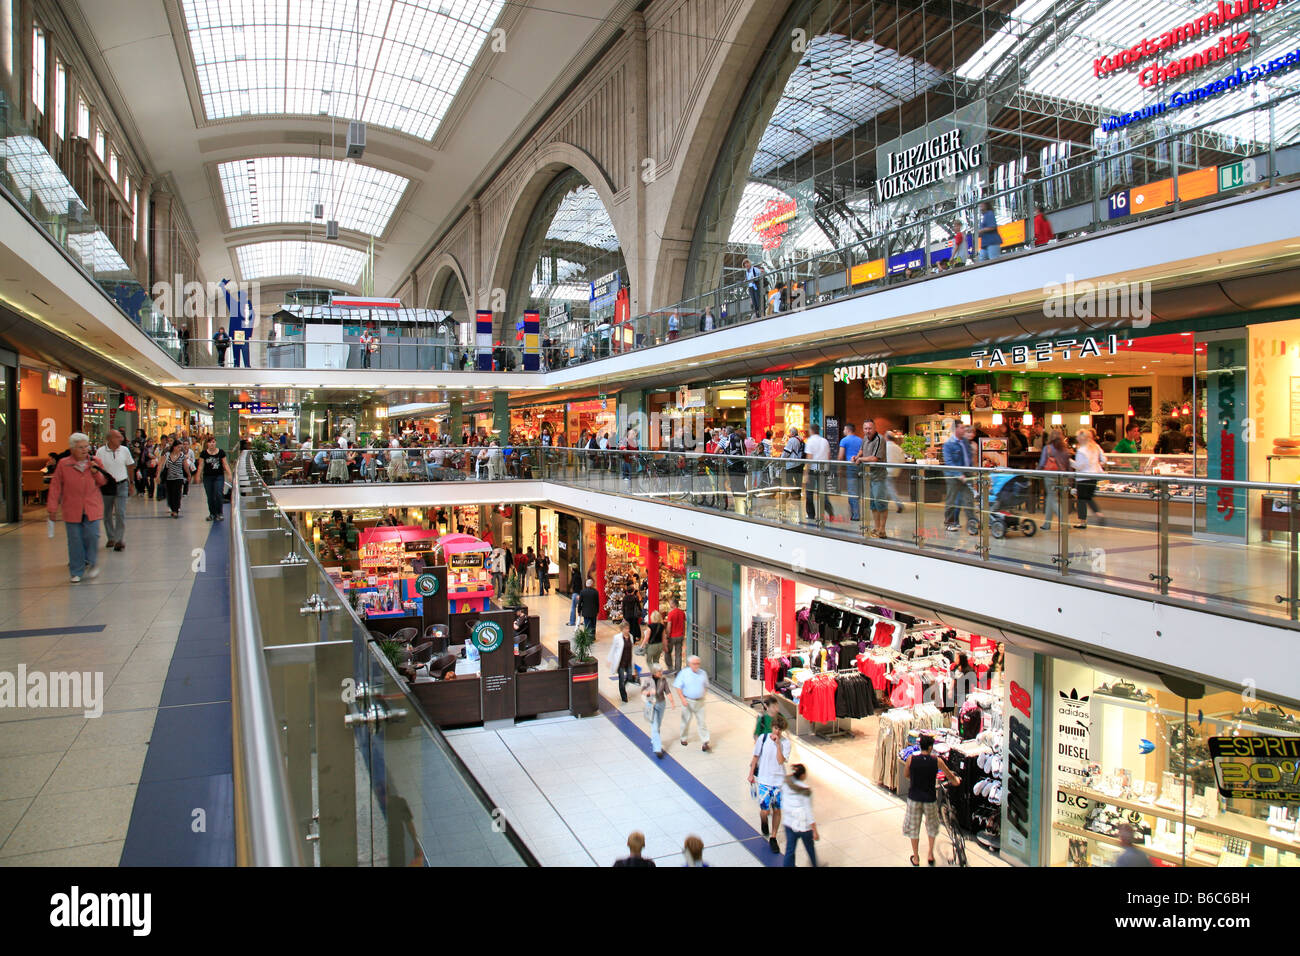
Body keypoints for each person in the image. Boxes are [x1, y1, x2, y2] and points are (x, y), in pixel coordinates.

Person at [47, 433, 107, 583]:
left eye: (86, 446)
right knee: (75, 540)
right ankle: (76, 570)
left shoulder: (95, 462)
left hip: (91, 506)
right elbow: (55, 487)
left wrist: (95, 473)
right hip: (71, 507)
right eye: (80, 447)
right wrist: (52, 508)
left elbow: (103, 481)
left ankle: (92, 562)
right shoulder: (63, 464)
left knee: (92, 536)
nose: (84, 450)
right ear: (72, 449)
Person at [902, 733, 961, 866]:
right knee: (931, 827)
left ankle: (916, 857)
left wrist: (917, 779)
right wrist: (956, 781)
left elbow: (906, 774)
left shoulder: (911, 759)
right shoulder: (937, 761)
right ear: (930, 748)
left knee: (913, 828)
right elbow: (949, 775)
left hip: (914, 798)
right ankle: (930, 854)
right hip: (930, 798)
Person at [748, 712, 791, 854]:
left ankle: (773, 837)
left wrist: (778, 745)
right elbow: (755, 756)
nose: (777, 731)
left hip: (778, 781)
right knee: (765, 810)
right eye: (775, 728)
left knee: (777, 810)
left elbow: (780, 761)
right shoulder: (763, 738)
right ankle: (764, 820)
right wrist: (751, 774)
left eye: (779, 729)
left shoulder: (786, 743)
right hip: (764, 780)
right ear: (772, 727)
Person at [97, 429, 133, 552]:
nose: (121, 439)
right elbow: (97, 469)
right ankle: (111, 537)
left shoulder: (124, 450)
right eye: (118, 437)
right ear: (110, 439)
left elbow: (130, 466)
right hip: (106, 485)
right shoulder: (100, 452)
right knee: (107, 512)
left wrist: (131, 483)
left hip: (122, 484)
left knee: (120, 512)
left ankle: (119, 540)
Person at [782, 763, 819, 868]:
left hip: (789, 824)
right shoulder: (805, 790)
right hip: (803, 827)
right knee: (810, 848)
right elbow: (808, 812)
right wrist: (814, 830)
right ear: (802, 775)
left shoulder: (786, 783)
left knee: (790, 850)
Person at [942, 420, 976, 533]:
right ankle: (949, 523)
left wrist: (971, 471)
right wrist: (958, 474)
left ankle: (972, 523)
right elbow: (949, 462)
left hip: (967, 474)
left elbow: (969, 458)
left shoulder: (965, 442)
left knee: (969, 500)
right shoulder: (948, 444)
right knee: (951, 500)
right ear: (955, 429)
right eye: (961, 428)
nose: (964, 430)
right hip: (953, 476)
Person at [858, 419, 889, 538]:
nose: (867, 431)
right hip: (868, 477)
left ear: (875, 428)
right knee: (873, 504)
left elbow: (875, 458)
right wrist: (857, 456)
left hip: (879, 477)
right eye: (865, 428)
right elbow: (861, 450)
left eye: (870, 428)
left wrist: (860, 459)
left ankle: (882, 529)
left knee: (880, 502)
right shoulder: (864, 439)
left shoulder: (880, 439)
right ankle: (876, 528)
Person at [1071, 428, 1107, 529]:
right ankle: (1098, 513)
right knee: (1088, 497)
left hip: (1083, 478)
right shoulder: (1095, 447)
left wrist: (1069, 461)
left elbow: (1079, 466)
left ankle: (1083, 522)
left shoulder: (1081, 450)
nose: (1076, 438)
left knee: (1081, 500)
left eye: (1077, 436)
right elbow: (1104, 459)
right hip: (1093, 476)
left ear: (1081, 438)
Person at [673, 655, 710, 751]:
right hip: (688, 701)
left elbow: (706, 685)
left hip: (700, 702)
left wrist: (703, 695)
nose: (696, 665)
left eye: (698, 663)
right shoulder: (684, 673)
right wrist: (682, 699)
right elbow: (677, 686)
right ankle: (683, 738)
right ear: (689, 664)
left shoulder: (703, 673)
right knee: (685, 721)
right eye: (694, 664)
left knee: (702, 722)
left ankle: (705, 741)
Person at [1039, 433, 1072, 531]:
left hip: (1050, 476)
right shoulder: (1065, 449)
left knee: (1053, 499)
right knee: (1051, 498)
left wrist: (1036, 471)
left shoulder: (1047, 448)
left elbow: (1042, 463)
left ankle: (1065, 523)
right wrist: (1070, 480)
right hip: (1062, 476)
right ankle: (1047, 524)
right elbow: (1068, 465)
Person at [640, 662, 674, 758]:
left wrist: (672, 701)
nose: (661, 673)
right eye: (659, 671)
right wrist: (649, 692)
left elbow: (667, 691)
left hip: (661, 704)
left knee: (658, 724)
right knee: (654, 725)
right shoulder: (647, 680)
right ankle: (657, 748)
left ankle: (655, 739)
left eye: (661, 671)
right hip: (651, 704)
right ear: (654, 672)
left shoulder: (663, 680)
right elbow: (642, 691)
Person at [197, 436, 232, 522]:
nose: (212, 444)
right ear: (207, 444)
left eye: (213, 442)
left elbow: (225, 464)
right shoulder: (204, 453)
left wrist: (229, 474)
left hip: (218, 476)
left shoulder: (221, 452)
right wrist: (198, 476)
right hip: (207, 477)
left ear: (215, 443)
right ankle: (212, 513)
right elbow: (201, 466)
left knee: (218, 493)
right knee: (210, 496)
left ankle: (219, 513)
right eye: (210, 442)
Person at [803, 423, 833, 523]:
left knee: (809, 493)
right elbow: (829, 456)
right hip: (823, 470)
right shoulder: (825, 441)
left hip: (813, 470)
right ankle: (830, 513)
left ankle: (811, 514)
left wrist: (806, 473)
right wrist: (827, 469)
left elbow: (809, 458)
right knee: (823, 493)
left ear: (811, 430)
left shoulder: (810, 441)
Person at [837, 422, 863, 523]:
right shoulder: (860, 440)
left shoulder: (844, 440)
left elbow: (840, 456)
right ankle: (853, 512)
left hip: (851, 467)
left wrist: (839, 468)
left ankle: (856, 515)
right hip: (860, 466)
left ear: (847, 430)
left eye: (844, 429)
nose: (843, 431)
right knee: (857, 491)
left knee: (852, 491)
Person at [160, 439, 192, 518]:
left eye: (181, 448)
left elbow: (185, 466)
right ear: (174, 447)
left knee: (177, 494)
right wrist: (158, 475)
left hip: (178, 477)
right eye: (178, 447)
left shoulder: (182, 456)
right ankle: (172, 507)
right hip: (169, 478)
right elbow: (160, 465)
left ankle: (176, 510)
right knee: (170, 494)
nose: (179, 449)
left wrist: (188, 474)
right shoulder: (167, 455)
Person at [608, 621, 636, 703]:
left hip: (629, 661)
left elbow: (632, 649)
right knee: (621, 679)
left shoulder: (631, 636)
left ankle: (623, 685)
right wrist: (610, 659)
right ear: (622, 629)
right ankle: (624, 696)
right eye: (626, 629)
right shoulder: (617, 638)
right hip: (621, 662)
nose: (627, 630)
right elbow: (613, 649)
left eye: (628, 628)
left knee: (630, 677)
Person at [664, 596, 686, 671]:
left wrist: (667, 636)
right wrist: (683, 634)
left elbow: (669, 626)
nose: (669, 604)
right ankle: (678, 671)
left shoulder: (671, 614)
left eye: (670, 603)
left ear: (673, 604)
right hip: (680, 636)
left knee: (667, 652)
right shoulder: (682, 613)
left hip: (672, 636)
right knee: (678, 654)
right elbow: (683, 624)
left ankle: (670, 667)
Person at [621, 579, 643, 645]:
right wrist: (640, 612)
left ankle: (627, 640)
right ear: (633, 591)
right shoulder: (635, 598)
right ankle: (633, 640)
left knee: (627, 628)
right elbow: (639, 606)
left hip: (627, 615)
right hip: (634, 615)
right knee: (633, 628)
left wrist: (624, 615)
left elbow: (623, 607)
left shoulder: (625, 598)